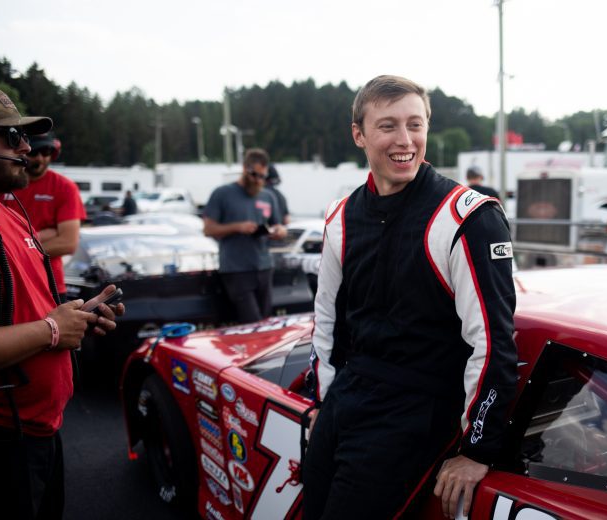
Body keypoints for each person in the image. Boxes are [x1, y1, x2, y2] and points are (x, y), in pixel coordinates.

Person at [303, 75, 517, 519]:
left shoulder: (469, 217)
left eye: (415, 125)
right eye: (388, 126)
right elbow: (326, 316)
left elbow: (493, 341)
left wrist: (477, 448)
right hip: (346, 397)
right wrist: (324, 401)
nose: (405, 141)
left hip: (414, 412)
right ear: (358, 134)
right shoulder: (341, 216)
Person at [0, 86, 124, 520]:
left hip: (40, 429)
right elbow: (43, 325)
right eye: (11, 136)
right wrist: (51, 330)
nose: (26, 147)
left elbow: (34, 310)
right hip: (0, 437)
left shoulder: (8, 213)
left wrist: (75, 317)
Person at [203, 148, 287, 323]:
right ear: (244, 168)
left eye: (262, 177)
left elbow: (279, 225)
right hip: (237, 269)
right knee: (252, 322)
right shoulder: (222, 193)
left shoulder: (268, 196)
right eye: (254, 175)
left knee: (265, 323)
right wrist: (237, 227)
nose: (258, 180)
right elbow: (208, 229)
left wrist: (279, 232)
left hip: (264, 266)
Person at [2, 132, 86, 302]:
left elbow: (68, 243)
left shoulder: (65, 187)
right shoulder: (4, 185)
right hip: (8, 284)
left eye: (46, 152)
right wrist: (41, 238)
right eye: (34, 152)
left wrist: (13, 250)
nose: (40, 158)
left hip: (50, 285)